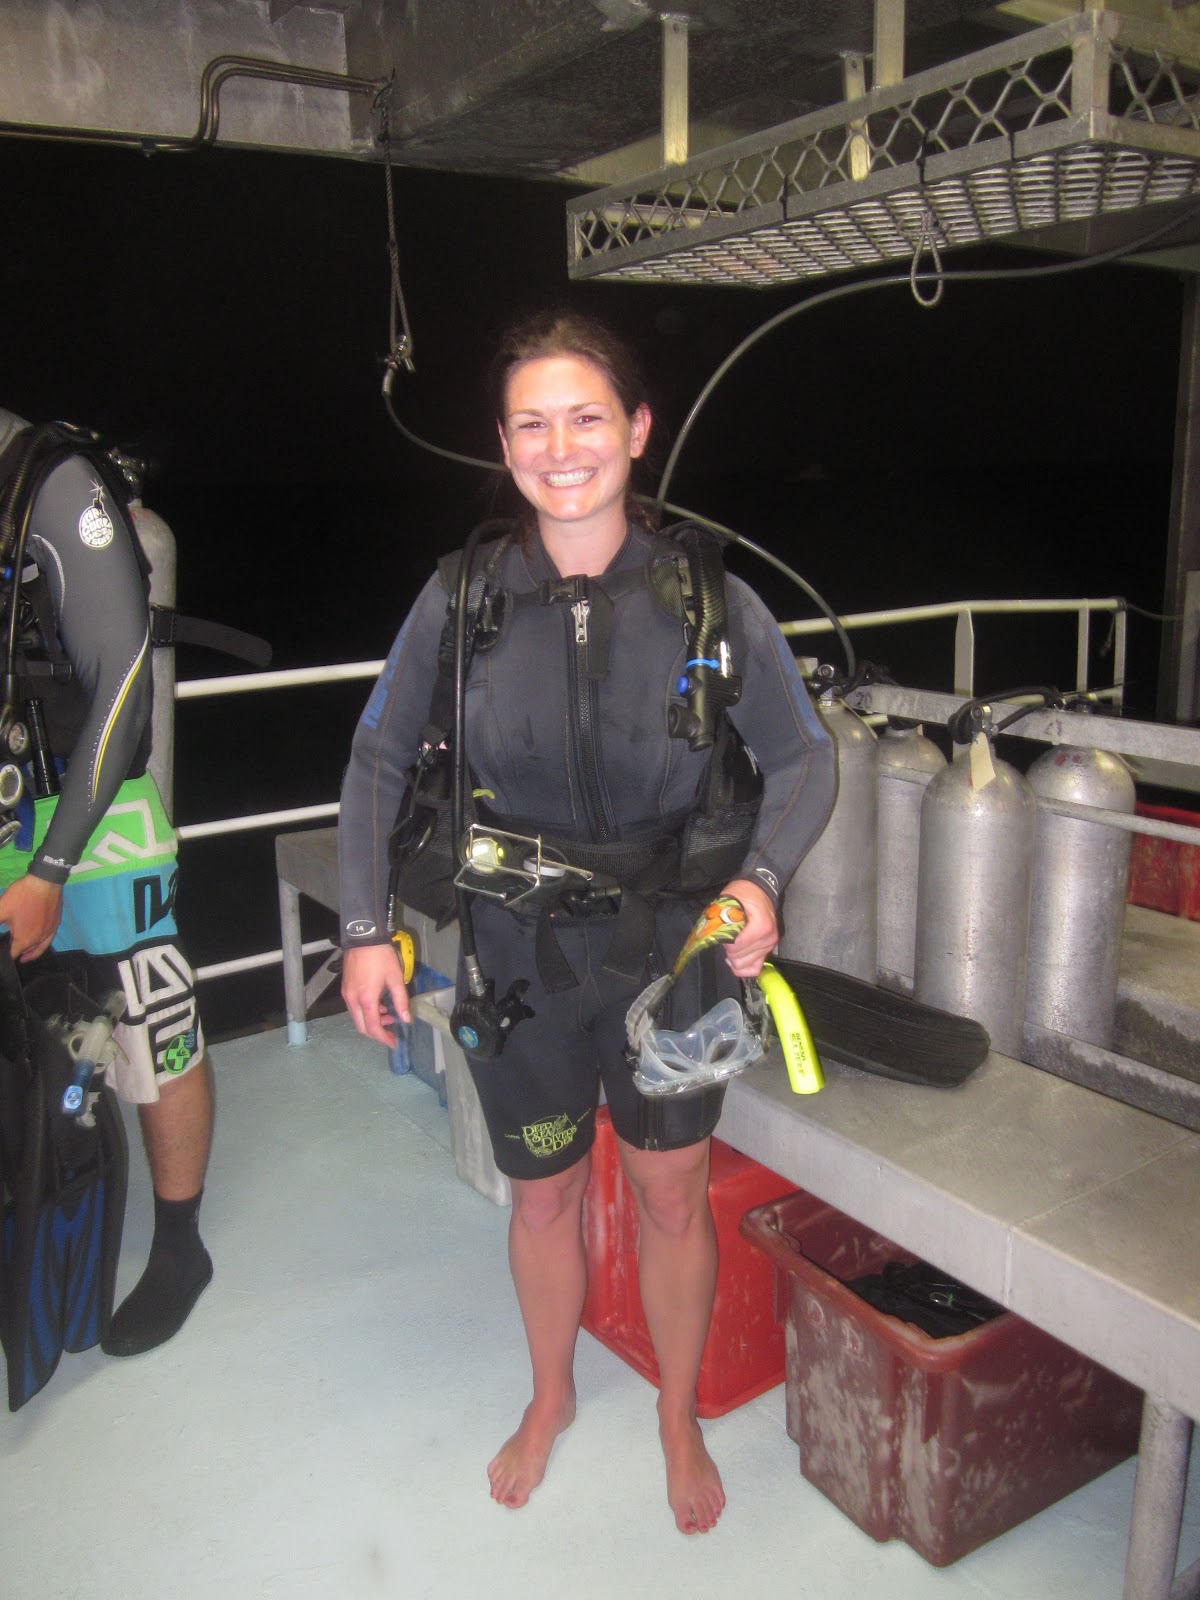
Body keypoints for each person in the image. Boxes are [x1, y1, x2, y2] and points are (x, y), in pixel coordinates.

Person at [338, 312, 836, 1533]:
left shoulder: (711, 596)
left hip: (677, 953)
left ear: (638, 429)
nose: (561, 447)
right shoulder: (460, 598)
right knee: (544, 1195)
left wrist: (762, 879)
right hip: (521, 955)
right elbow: (377, 757)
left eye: (588, 417)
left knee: (673, 1195)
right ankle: (552, 1392)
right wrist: (361, 927)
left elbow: (804, 759)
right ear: (503, 444)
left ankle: (676, 1411)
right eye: (532, 423)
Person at [0, 408, 215, 1359]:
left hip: (97, 823)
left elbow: (125, 693)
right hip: (9, 810)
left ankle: (179, 1248)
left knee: (154, 1034)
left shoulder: (49, 481)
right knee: (29, 1039)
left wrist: (50, 868)